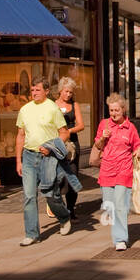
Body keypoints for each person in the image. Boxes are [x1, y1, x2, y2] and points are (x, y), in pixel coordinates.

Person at [15, 77, 72, 245]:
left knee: (50, 194)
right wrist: (18, 160)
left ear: (46, 91)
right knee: (29, 195)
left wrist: (51, 147)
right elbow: (20, 135)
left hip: (48, 157)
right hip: (29, 156)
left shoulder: (52, 108)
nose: (34, 93)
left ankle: (63, 216)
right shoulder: (25, 110)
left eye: (37, 90)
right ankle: (32, 234)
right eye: (32, 90)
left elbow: (64, 133)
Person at [93, 93, 140, 250]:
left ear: (123, 110)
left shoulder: (130, 127)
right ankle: (119, 230)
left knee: (120, 204)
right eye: (111, 110)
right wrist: (102, 138)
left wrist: (139, 151)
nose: (113, 114)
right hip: (107, 170)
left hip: (124, 169)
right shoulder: (104, 124)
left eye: (116, 110)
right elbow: (98, 146)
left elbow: (138, 144)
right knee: (109, 206)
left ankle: (120, 239)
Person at [55, 77, 85, 219]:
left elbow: (81, 125)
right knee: (58, 178)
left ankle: (71, 208)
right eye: (66, 91)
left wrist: (69, 131)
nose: (68, 95)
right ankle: (58, 207)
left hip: (72, 145)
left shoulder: (74, 105)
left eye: (71, 93)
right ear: (60, 90)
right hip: (57, 144)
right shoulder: (53, 105)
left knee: (72, 176)